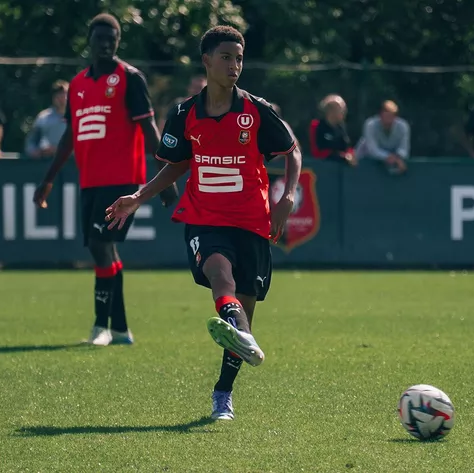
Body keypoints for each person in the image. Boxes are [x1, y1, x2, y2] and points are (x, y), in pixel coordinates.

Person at [105, 25, 301, 421]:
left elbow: (292, 151)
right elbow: (178, 163)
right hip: (204, 219)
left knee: (245, 303)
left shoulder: (255, 110)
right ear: (207, 61)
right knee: (220, 277)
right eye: (227, 57)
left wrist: (288, 196)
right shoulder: (184, 113)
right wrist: (138, 197)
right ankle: (235, 325)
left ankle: (223, 391)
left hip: (251, 221)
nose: (235, 65)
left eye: (240, 58)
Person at [32, 14, 178, 346]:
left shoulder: (130, 78)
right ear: (90, 40)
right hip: (90, 181)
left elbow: (148, 130)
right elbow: (69, 135)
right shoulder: (79, 84)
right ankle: (122, 328)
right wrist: (48, 180)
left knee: (99, 246)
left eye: (111, 38)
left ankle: (101, 327)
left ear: (117, 41)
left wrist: (165, 179)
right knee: (105, 248)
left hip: (122, 180)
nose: (105, 44)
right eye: (100, 38)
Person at [355, 100, 410, 174]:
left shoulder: (403, 126)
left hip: (391, 164)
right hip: (364, 163)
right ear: (380, 115)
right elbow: (373, 150)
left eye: (391, 115)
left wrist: (397, 158)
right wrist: (387, 157)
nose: (389, 118)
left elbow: (404, 149)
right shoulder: (370, 125)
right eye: (386, 115)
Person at [25, 80, 69, 159]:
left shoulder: (79, 117)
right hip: (47, 163)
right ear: (53, 98)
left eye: (65, 94)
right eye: (58, 95)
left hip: (73, 164)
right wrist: (36, 152)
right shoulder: (43, 117)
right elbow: (31, 143)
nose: (62, 98)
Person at [310, 94, 356, 165]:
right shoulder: (316, 125)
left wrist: (350, 155)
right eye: (342, 109)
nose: (344, 112)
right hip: (320, 168)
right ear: (331, 110)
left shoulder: (342, 127)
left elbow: (348, 147)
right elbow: (316, 152)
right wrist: (341, 157)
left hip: (339, 171)